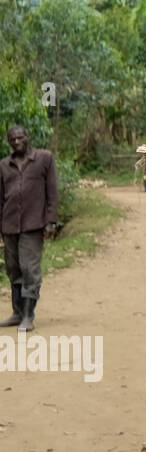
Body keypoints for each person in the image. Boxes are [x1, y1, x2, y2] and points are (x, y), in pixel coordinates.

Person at [0, 126, 58, 331]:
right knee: (13, 269)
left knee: (29, 270)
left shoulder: (44, 158)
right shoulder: (3, 166)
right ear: (8, 141)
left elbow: (52, 191)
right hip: (9, 226)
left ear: (27, 137)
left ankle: (28, 315)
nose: (16, 141)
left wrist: (51, 220)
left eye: (20, 137)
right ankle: (17, 313)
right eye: (12, 139)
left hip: (33, 225)